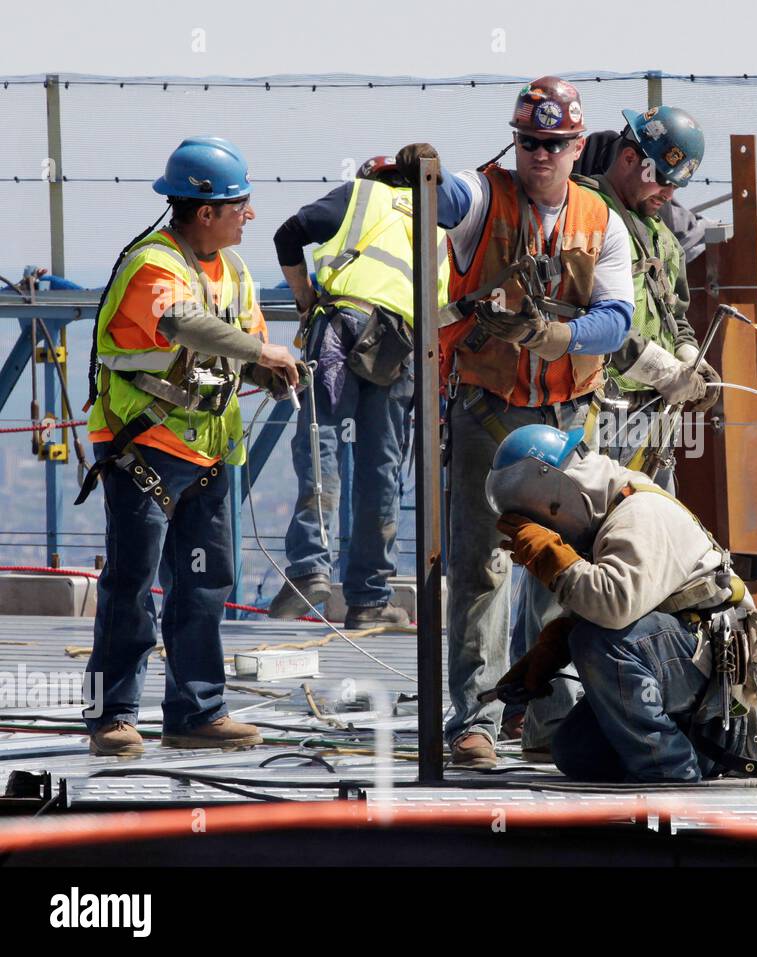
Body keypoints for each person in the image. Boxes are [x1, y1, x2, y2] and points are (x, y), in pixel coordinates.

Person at [434, 76, 634, 767]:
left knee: (563, 567)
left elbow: (617, 319)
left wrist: (556, 338)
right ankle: (475, 718)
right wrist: (415, 176)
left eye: (553, 144)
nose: (539, 154)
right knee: (480, 565)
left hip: (567, 418)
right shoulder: (484, 197)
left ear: (578, 147)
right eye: (527, 142)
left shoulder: (600, 220)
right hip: (489, 409)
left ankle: (548, 715)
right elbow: (447, 198)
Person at [77, 137, 301, 755]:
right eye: (240, 204)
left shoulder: (230, 269)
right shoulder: (156, 263)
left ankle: (196, 711)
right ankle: (111, 717)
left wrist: (266, 372)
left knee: (204, 583)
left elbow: (237, 341)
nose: (249, 215)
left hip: (205, 451)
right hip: (143, 446)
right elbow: (178, 324)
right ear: (206, 213)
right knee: (130, 585)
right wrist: (263, 353)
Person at [486, 425, 757, 783]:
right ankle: (707, 756)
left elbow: (615, 606)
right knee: (575, 749)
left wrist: (553, 559)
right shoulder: (613, 513)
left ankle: (672, 770)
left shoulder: (638, 513)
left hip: (711, 674)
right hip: (689, 671)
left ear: (556, 501)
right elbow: (632, 605)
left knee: (598, 643)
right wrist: (554, 646)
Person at [268, 145, 448, 627]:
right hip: (401, 346)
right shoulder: (439, 229)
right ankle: (369, 599)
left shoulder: (361, 194)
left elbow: (288, 234)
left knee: (320, 440)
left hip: (342, 326)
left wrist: (305, 299)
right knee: (381, 467)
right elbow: (444, 316)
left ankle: (310, 570)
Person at [573, 105, 719, 486]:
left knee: (654, 534)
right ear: (627, 158)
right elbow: (582, 317)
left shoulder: (663, 240)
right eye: (662, 179)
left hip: (653, 421)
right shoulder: (584, 221)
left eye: (677, 186)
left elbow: (677, 316)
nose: (669, 194)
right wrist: (661, 369)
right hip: (597, 416)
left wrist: (688, 354)